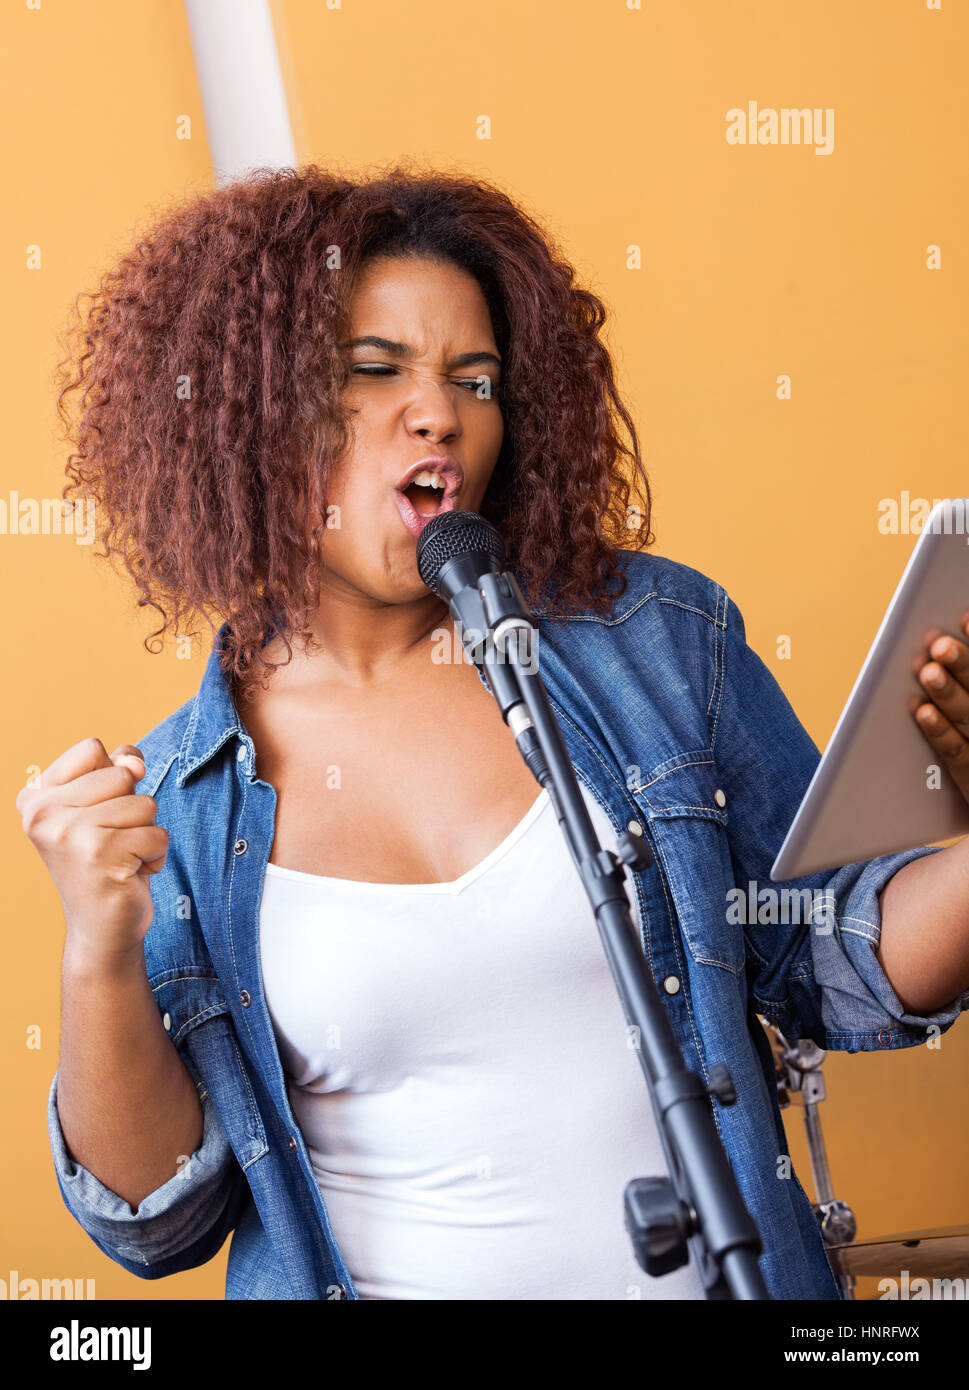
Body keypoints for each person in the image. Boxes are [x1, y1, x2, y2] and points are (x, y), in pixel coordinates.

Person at [20, 164, 969, 1301]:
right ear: (249, 414)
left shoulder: (656, 642)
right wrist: (99, 947)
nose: (442, 413)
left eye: (476, 378)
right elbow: (158, 1220)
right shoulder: (180, 798)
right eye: (375, 370)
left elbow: (825, 958)